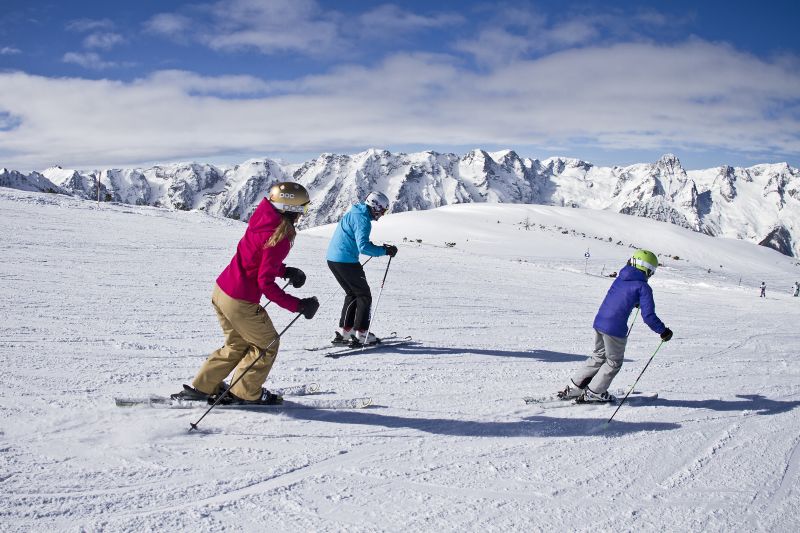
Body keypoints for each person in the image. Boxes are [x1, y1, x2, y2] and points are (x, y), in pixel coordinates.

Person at [172, 182, 319, 405]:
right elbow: (265, 284)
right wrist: (298, 305)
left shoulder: (263, 219)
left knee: (236, 344)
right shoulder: (280, 235)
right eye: (301, 209)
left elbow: (255, 256)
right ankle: (244, 391)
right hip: (240, 300)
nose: (302, 215)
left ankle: (203, 386)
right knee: (267, 344)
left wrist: (284, 270)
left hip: (222, 291)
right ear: (289, 209)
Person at [557, 249, 673, 403]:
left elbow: (621, 297)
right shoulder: (643, 287)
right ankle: (595, 392)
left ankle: (574, 388)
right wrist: (663, 331)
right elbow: (649, 316)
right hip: (615, 328)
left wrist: (635, 301)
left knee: (598, 356)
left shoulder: (620, 278)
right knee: (613, 362)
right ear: (648, 269)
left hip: (600, 322)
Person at [326, 191, 397, 346]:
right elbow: (363, 246)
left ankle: (346, 331)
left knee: (352, 293)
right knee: (364, 295)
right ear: (375, 207)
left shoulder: (356, 212)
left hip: (333, 259)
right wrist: (384, 251)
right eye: (382, 211)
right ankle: (362, 333)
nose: (382, 214)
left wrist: (380, 249)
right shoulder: (363, 219)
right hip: (346, 261)